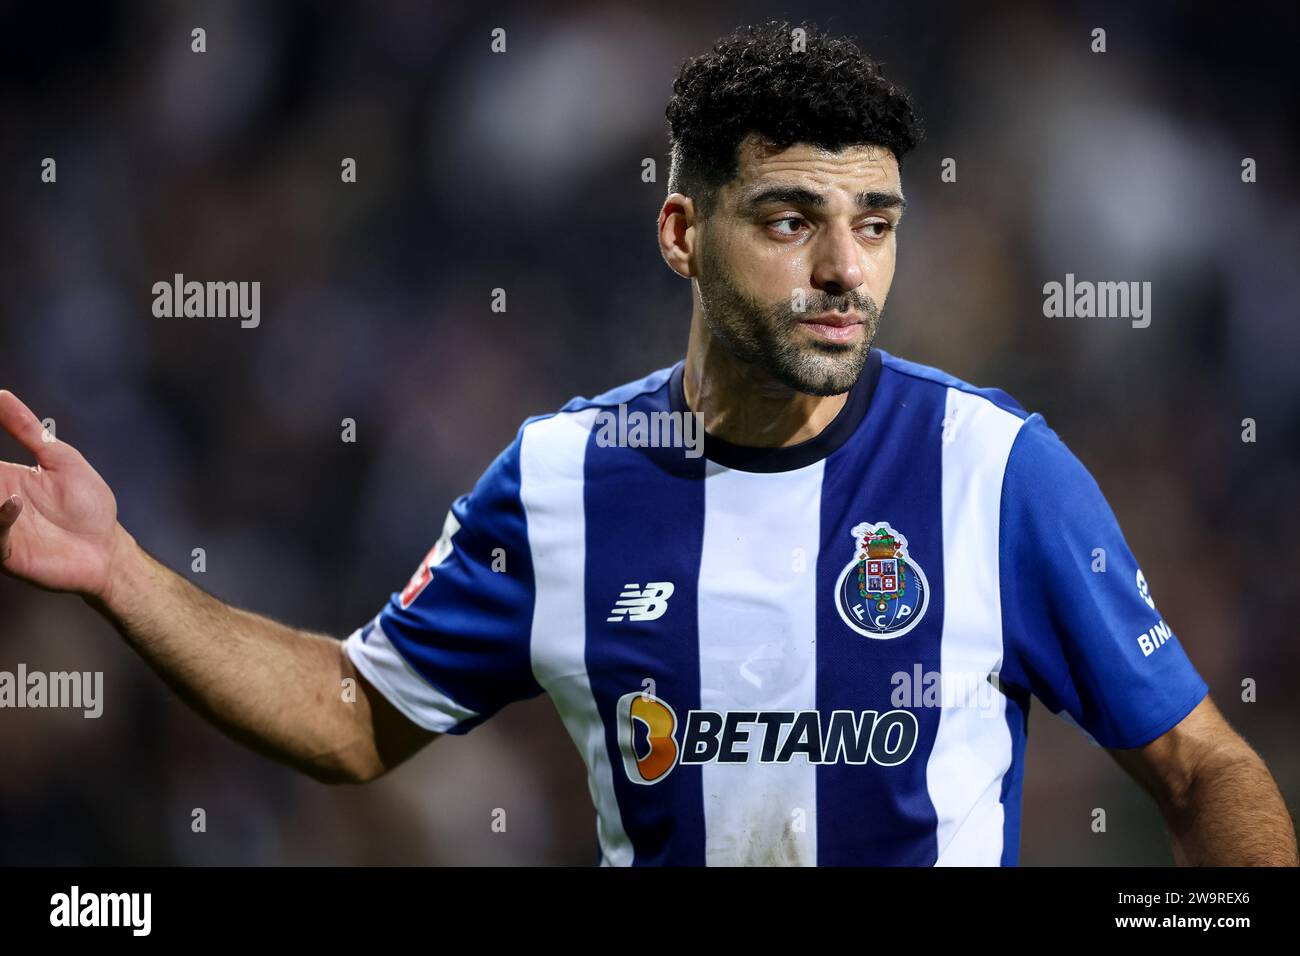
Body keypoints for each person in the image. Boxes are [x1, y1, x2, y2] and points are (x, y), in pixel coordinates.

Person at [1, 20, 1295, 866]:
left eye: (879, 223)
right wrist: (122, 572)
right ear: (682, 234)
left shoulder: (996, 471)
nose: (847, 269)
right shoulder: (562, 479)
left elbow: (1201, 767)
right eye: (791, 219)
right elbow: (355, 715)